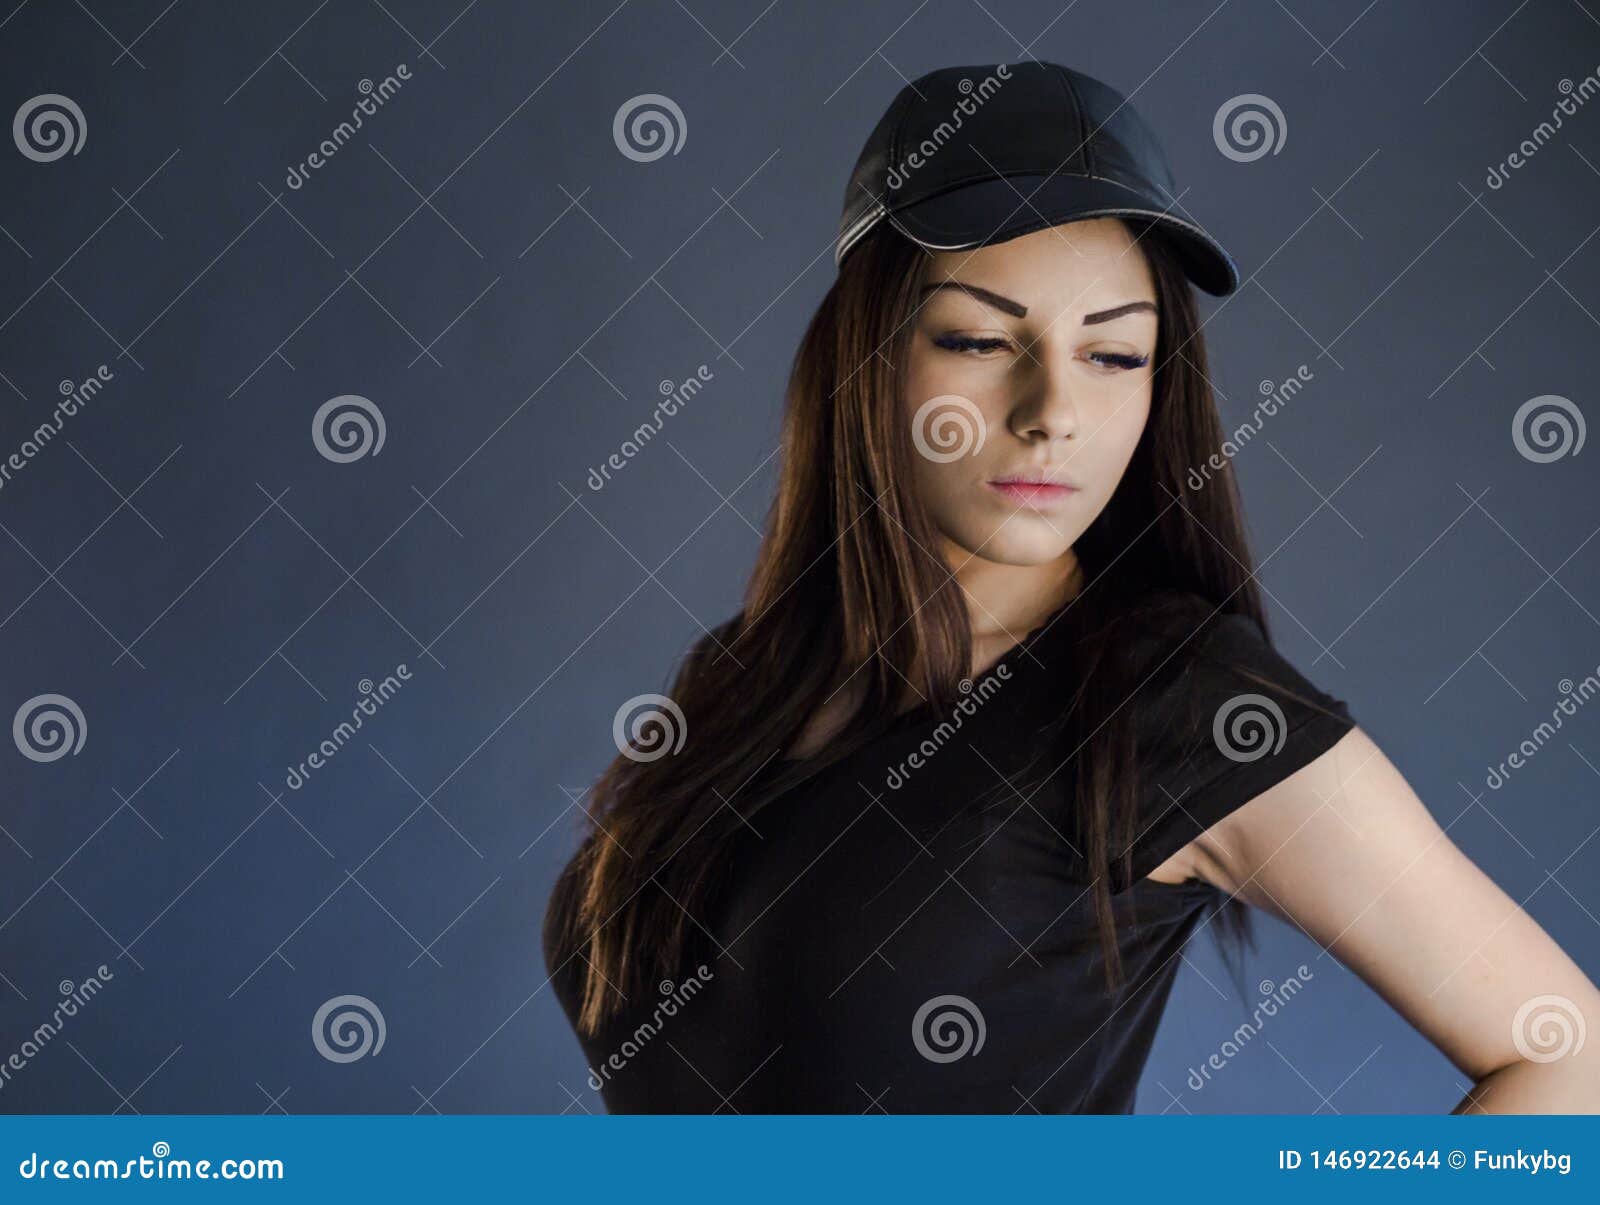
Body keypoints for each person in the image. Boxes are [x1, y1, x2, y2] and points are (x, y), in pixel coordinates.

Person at [542, 61, 1600, 1113]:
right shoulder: (741, 676)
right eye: (978, 339)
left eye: (1113, 355)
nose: (1051, 407)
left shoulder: (1176, 699)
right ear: (866, 361)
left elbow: (1566, 1057)